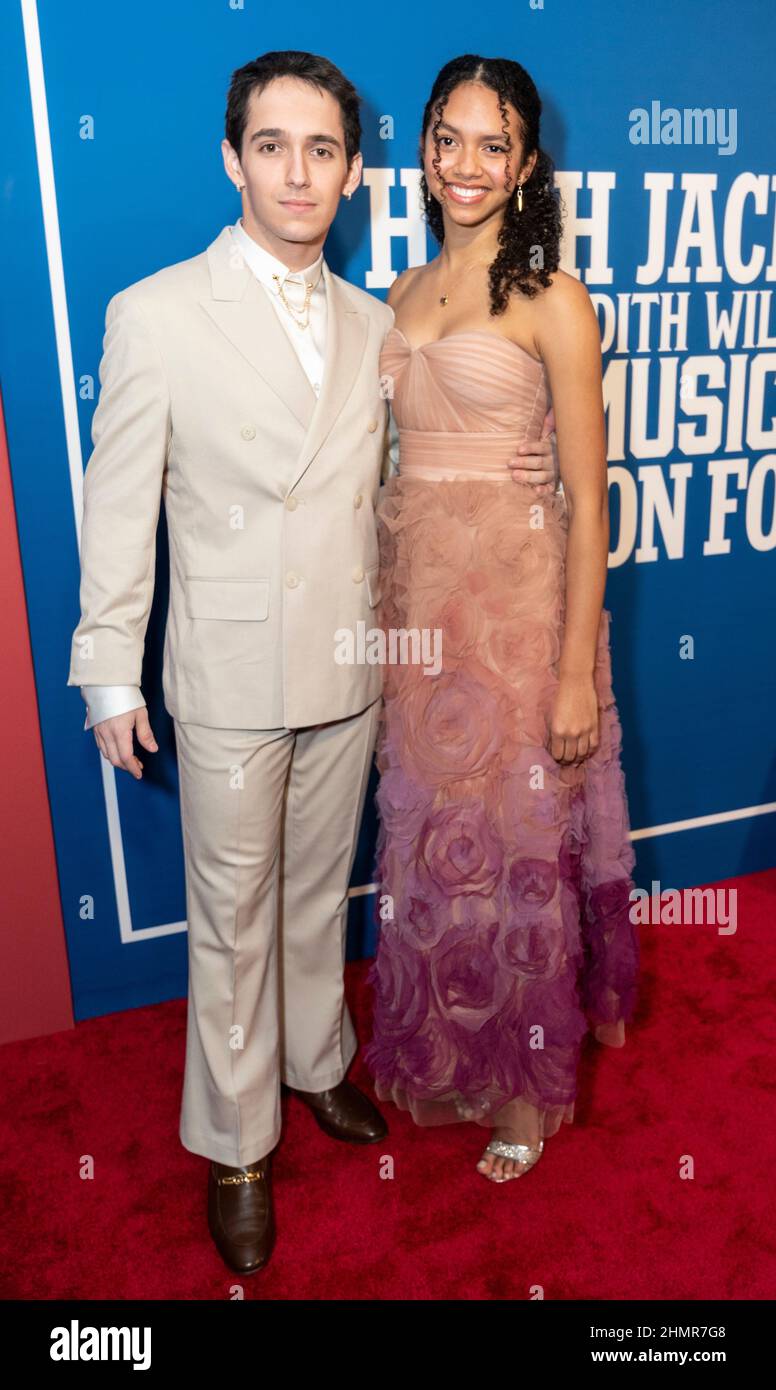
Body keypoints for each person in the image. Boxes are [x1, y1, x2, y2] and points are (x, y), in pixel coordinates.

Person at [66, 51, 559, 1271]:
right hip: (228, 673)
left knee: (307, 900)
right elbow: (118, 507)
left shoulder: (372, 317)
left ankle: (317, 1062)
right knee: (230, 917)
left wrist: (528, 480)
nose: (299, 171)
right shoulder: (157, 312)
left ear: (349, 172)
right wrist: (109, 672)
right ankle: (236, 1143)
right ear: (232, 160)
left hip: (349, 664)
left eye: (323, 150)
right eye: (273, 146)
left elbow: (407, 474)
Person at [363, 54, 640, 1184]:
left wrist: (573, 672)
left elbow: (589, 504)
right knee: (435, 843)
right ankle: (442, 1048)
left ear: (525, 163)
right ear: (424, 151)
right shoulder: (397, 294)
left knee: (517, 852)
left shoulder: (552, 300)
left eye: (493, 142)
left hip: (519, 619)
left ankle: (523, 1090)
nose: (466, 163)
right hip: (417, 610)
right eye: (448, 137)